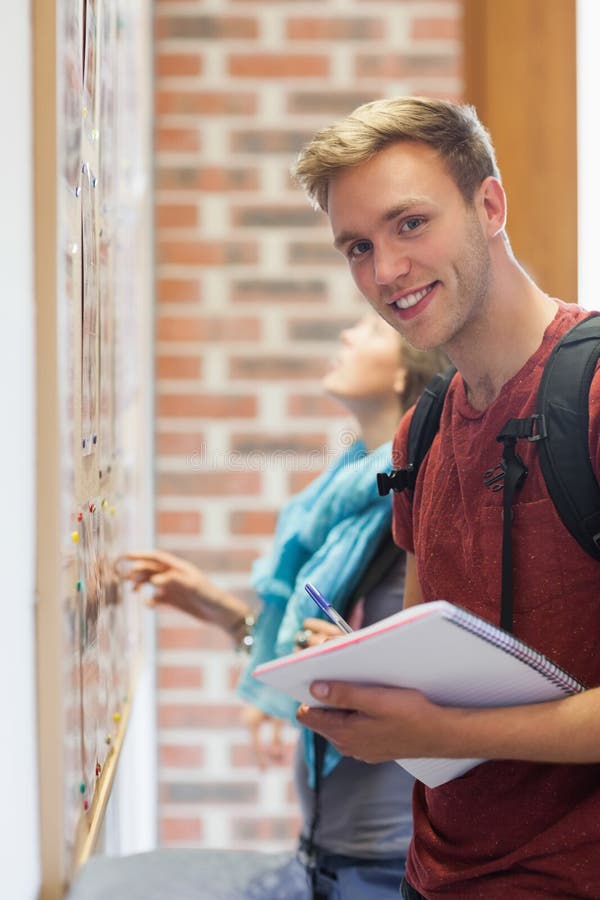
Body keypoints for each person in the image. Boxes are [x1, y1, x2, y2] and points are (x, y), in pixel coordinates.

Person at [291, 96, 600, 899]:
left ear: (489, 206)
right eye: (359, 246)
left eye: (411, 223)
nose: (386, 271)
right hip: (432, 877)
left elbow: (444, 721)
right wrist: (367, 684)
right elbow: (433, 655)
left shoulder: (594, 393)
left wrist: (441, 730)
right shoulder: (420, 436)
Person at [125, 313, 447, 899]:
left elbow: (440, 674)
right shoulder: (350, 486)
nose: (346, 336)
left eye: (371, 331)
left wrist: (357, 659)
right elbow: (317, 645)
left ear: (408, 372)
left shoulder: (417, 498)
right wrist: (224, 613)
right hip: (328, 855)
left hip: (385, 866)